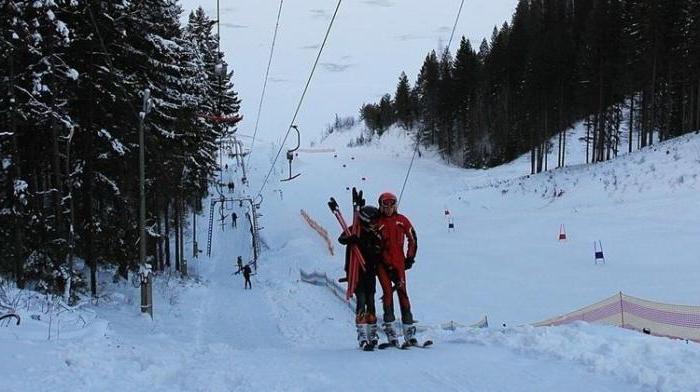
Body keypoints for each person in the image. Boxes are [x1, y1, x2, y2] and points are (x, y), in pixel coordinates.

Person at [375, 191, 418, 346]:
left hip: (399, 262)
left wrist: (410, 258)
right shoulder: (378, 222)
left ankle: (409, 333)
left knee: (403, 293)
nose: (388, 209)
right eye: (385, 206)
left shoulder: (401, 220)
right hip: (383, 265)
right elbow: (376, 247)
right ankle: (392, 333)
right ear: (380, 206)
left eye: (391, 205)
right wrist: (386, 264)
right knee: (387, 293)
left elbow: (412, 237)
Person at [338, 205, 383, 349]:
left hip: (369, 271)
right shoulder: (355, 229)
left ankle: (372, 333)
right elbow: (342, 238)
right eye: (373, 220)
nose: (375, 223)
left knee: (371, 301)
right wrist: (350, 238)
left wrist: (359, 242)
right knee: (361, 300)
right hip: (356, 272)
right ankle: (363, 335)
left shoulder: (375, 234)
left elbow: (375, 251)